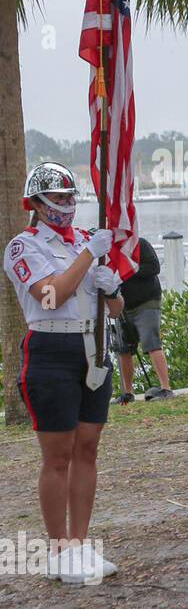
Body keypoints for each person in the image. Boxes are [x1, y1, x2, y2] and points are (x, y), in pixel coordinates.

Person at [4, 162, 124, 583]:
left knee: (88, 449)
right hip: (52, 349)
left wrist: (112, 288)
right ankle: (59, 549)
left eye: (70, 197)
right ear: (36, 204)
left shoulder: (85, 242)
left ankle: (80, 542)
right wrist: (90, 256)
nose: (67, 205)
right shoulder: (24, 246)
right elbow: (51, 296)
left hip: (94, 346)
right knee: (58, 456)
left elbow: (116, 310)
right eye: (57, 198)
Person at [113, 235, 172, 403]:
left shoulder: (140, 244)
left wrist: (128, 270)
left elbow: (154, 267)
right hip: (122, 304)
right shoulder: (109, 250)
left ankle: (166, 388)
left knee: (151, 342)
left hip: (147, 301)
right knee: (123, 348)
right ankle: (128, 392)